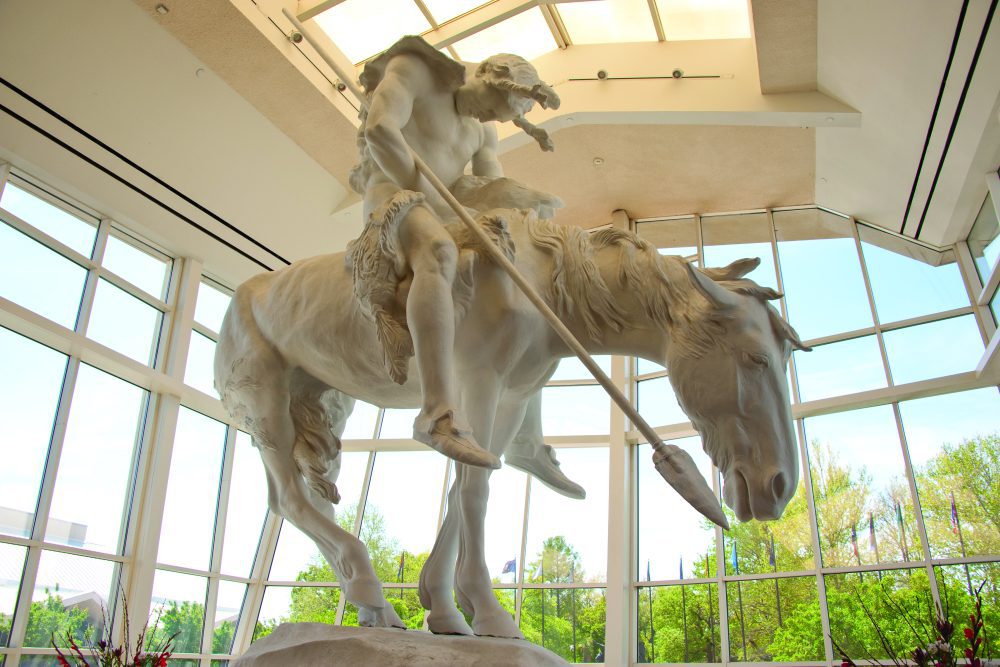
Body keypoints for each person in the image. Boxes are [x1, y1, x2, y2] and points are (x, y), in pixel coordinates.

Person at [348, 36, 578, 493]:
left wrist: (521, 201)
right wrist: (433, 198)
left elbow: (491, 186)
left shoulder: (482, 129)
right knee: (439, 252)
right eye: (492, 107)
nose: (488, 120)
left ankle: (526, 442)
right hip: (393, 195)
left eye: (498, 119)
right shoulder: (414, 68)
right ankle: (436, 411)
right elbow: (380, 130)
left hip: (445, 205)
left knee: (519, 296)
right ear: (488, 75)